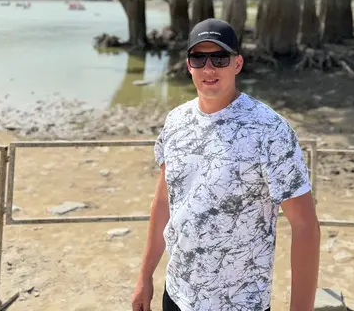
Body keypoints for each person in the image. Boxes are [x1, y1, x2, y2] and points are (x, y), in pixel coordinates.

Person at [132, 18, 320, 311]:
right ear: (189, 65)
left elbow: (305, 226)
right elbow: (164, 203)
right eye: (199, 58)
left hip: (239, 303)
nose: (209, 68)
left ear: (237, 63)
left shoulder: (270, 130)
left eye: (220, 58)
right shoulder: (176, 122)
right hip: (177, 295)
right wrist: (145, 275)